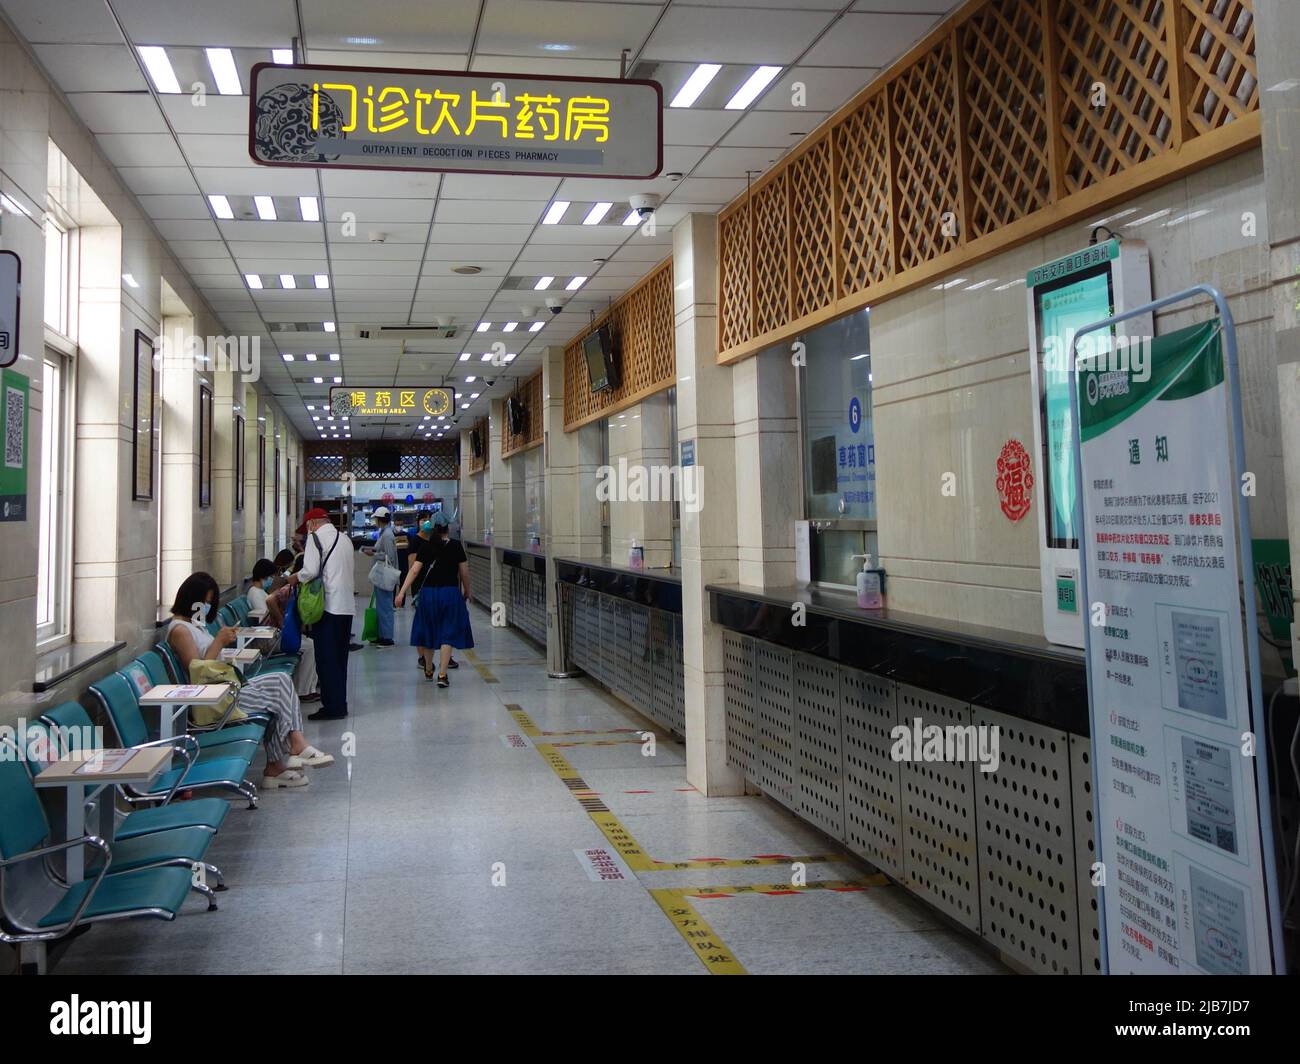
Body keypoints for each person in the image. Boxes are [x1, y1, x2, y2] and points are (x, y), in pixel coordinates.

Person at [165, 572, 332, 789]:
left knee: (280, 681)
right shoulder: (180, 630)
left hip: (225, 686)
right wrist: (219, 641)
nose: (207, 607)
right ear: (190, 599)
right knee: (277, 693)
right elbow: (198, 671)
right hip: (213, 699)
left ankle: (281, 761)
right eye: (205, 602)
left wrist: (223, 644)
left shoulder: (195, 625)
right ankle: (290, 752)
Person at [287, 508, 354, 720]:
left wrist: (294, 578)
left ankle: (332, 708)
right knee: (340, 658)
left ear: (312, 524)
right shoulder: (345, 539)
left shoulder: (315, 539)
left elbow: (310, 571)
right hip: (346, 607)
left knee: (326, 659)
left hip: (327, 607)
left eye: (306, 528)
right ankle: (339, 703)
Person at [395, 511, 473, 688]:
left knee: (428, 630)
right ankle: (443, 674)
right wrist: (467, 591)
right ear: (448, 528)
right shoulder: (455, 546)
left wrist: (401, 593)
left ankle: (429, 668)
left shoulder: (426, 546)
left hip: (428, 595)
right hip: (450, 594)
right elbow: (464, 572)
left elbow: (414, 571)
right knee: (448, 632)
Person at [246, 558, 320, 703]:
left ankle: (307, 687)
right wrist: (281, 621)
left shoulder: (263, 591)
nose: (273, 580)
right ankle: (304, 690)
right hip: (268, 638)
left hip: (273, 634)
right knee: (310, 646)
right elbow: (267, 608)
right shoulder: (259, 593)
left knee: (310, 644)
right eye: (271, 577)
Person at [362, 507, 397, 647]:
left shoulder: (388, 534)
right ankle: (383, 634)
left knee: (386, 606)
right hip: (381, 574)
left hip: (384, 575)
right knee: (382, 605)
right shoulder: (384, 533)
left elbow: (390, 556)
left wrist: (374, 554)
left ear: (379, 519)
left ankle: (387, 637)